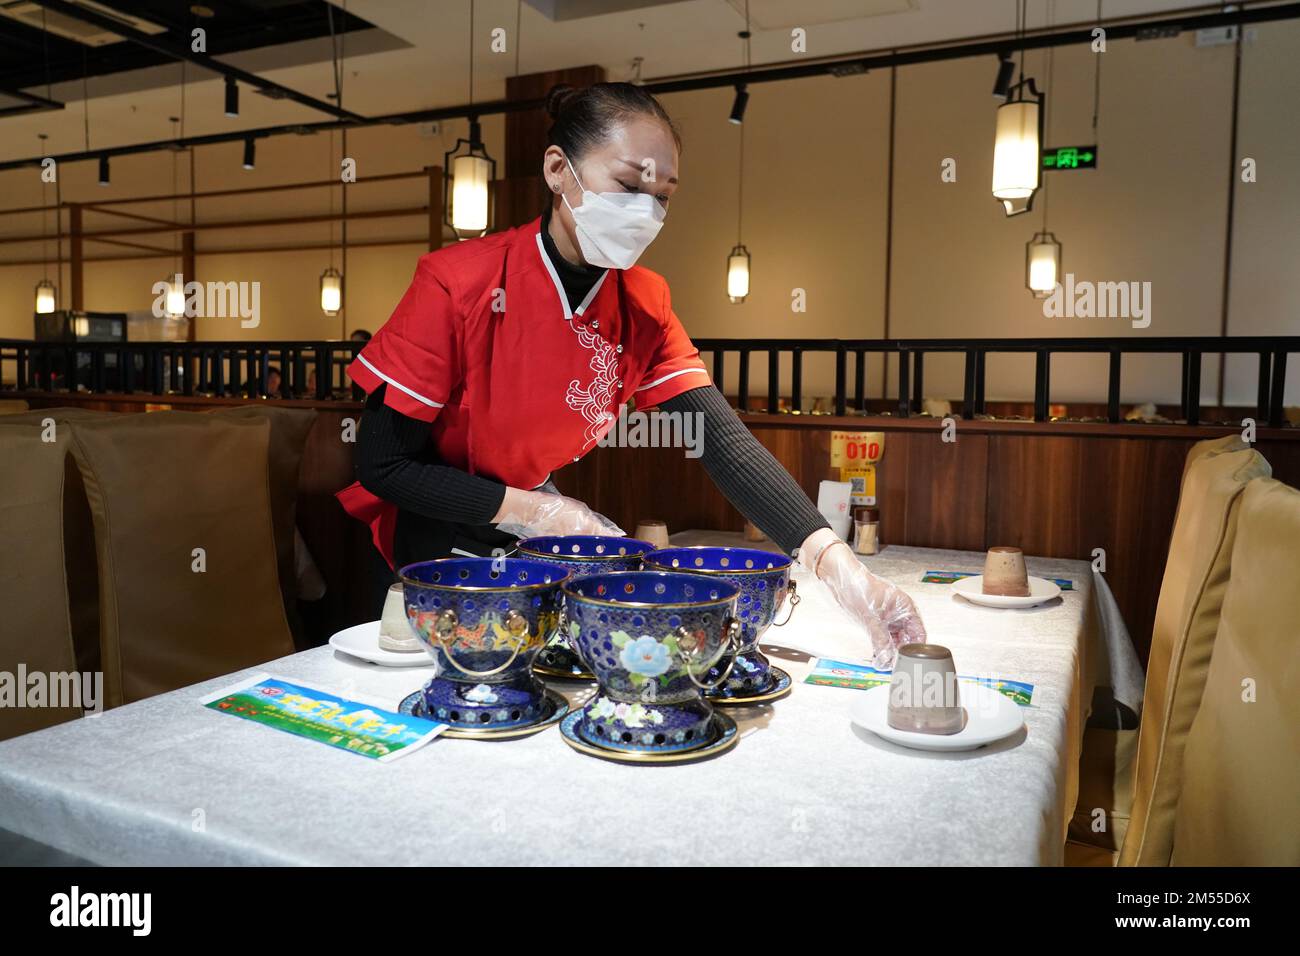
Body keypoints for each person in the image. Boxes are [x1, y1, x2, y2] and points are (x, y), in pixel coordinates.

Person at [336, 83, 925, 665]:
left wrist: (837, 565)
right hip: (433, 551)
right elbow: (384, 464)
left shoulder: (644, 303)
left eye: (663, 195)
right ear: (558, 170)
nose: (645, 210)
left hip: (534, 551)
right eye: (627, 184)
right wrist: (537, 510)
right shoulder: (459, 282)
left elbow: (721, 444)